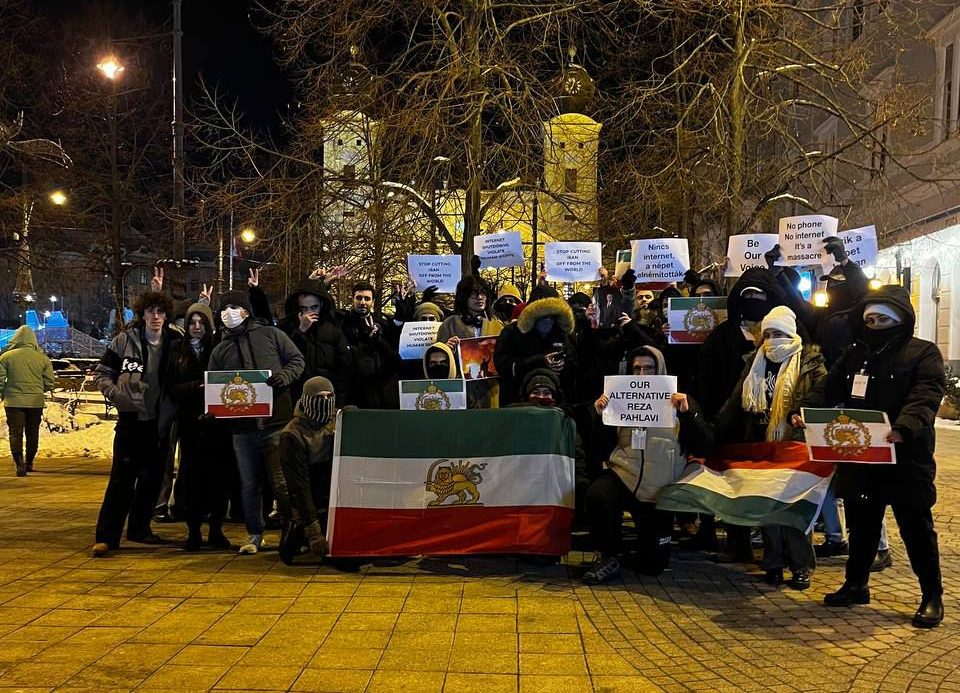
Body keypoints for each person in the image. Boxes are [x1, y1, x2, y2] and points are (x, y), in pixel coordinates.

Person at [798, 286, 946, 628]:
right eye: (870, 319)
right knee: (862, 524)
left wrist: (904, 427)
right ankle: (856, 584)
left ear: (899, 320)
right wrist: (806, 411)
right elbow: (828, 388)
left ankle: (931, 594)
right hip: (861, 455)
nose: (875, 325)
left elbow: (925, 396)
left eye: (883, 319)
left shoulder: (923, 353)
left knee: (916, 528)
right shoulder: (855, 354)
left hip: (905, 457)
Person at [689, 306, 825, 590]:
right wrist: (713, 430)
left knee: (793, 508)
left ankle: (800, 566)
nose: (772, 339)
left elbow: (821, 394)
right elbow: (735, 400)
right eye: (768, 334)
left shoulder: (811, 362)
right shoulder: (754, 362)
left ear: (791, 333)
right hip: (761, 443)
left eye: (778, 333)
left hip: (795, 445)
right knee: (768, 508)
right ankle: (773, 563)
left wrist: (802, 410)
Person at [208, 290, 305, 555]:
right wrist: (213, 408)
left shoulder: (271, 335)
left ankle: (292, 531)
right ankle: (254, 533)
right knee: (249, 484)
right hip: (242, 427)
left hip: (276, 422)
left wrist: (284, 377)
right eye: (224, 308)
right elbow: (215, 385)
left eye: (233, 307)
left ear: (246, 311)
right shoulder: (221, 349)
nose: (228, 312)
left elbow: (297, 360)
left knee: (281, 483)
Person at [584, 346, 692, 584]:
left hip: (659, 490)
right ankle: (609, 556)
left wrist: (688, 414)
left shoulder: (680, 401)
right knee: (598, 495)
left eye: (649, 368)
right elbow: (598, 449)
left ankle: (640, 551)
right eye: (637, 369)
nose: (642, 374)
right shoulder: (618, 400)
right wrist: (600, 417)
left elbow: (705, 442)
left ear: (660, 369)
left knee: (651, 567)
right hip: (624, 476)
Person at [92, 291, 181, 557]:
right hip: (131, 423)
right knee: (121, 480)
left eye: (161, 312)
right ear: (142, 314)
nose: (156, 317)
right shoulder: (124, 341)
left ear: (166, 315)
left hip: (160, 422)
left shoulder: (175, 341)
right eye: (151, 312)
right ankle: (107, 536)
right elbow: (103, 374)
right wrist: (117, 395)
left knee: (152, 480)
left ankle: (140, 529)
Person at [167, 303, 231, 551]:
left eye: (201, 323)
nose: (196, 328)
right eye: (192, 323)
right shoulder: (177, 351)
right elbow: (172, 387)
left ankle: (216, 528)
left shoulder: (218, 350)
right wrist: (197, 387)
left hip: (217, 423)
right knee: (192, 477)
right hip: (190, 422)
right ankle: (193, 531)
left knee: (219, 477)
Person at [277, 376, 343, 564]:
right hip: (313, 499)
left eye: (328, 397)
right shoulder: (292, 435)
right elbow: (299, 486)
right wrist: (313, 531)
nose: (324, 402)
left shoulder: (338, 420)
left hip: (336, 493)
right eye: (319, 397)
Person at [494, 292, 577, 405]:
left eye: (552, 316)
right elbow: (503, 366)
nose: (548, 320)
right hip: (518, 401)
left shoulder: (564, 333)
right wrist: (539, 360)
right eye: (542, 316)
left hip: (557, 403)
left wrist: (564, 364)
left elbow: (576, 364)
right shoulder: (512, 332)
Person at [276, 279, 351, 407]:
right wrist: (301, 331)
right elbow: (284, 359)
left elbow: (344, 367)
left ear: (321, 305)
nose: (310, 312)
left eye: (314, 307)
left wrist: (339, 401)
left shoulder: (333, 329)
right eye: (304, 308)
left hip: (326, 396)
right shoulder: (287, 328)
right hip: (298, 395)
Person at [0, 325, 55, 476]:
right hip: (35, 402)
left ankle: (18, 463)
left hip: (13, 402)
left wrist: (4, 392)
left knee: (15, 433)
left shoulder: (6, 357)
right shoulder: (42, 358)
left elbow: (0, 380)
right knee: (32, 432)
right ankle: (29, 462)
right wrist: (38, 390)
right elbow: (50, 382)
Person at [339, 281, 400, 409]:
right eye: (359, 298)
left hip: (378, 390)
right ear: (353, 299)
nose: (362, 302)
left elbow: (394, 356)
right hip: (351, 390)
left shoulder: (383, 322)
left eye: (367, 299)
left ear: (372, 301)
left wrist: (378, 340)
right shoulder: (343, 321)